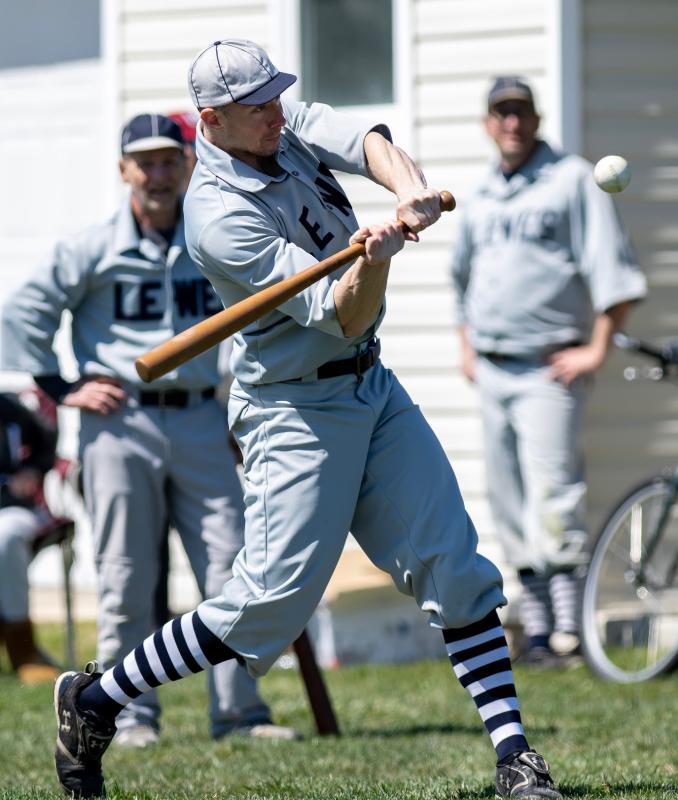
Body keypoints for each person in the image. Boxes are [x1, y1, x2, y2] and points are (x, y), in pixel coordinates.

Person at [47, 41, 563, 799]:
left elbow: (368, 142)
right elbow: (344, 314)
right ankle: (96, 699)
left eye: (275, 95)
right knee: (266, 604)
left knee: (453, 564)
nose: (275, 112)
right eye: (255, 105)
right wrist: (373, 261)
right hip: (294, 409)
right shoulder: (217, 217)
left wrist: (410, 192)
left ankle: (515, 756)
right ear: (211, 121)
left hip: (371, 388)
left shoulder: (280, 125)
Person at [0, 112, 297, 747]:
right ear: (123, 170)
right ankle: (127, 715)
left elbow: (262, 312)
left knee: (232, 566)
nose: (158, 175)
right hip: (119, 422)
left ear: (188, 164)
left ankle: (239, 713)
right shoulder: (93, 247)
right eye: (145, 163)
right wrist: (61, 387)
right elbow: (22, 313)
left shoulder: (212, 234)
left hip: (201, 415)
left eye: (169, 161)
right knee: (125, 575)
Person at [450, 77, 647, 667]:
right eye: (501, 113)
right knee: (509, 503)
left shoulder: (571, 180)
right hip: (494, 368)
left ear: (536, 119)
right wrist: (466, 347)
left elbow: (614, 271)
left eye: (521, 112)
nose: (511, 123)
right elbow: (461, 279)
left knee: (556, 499)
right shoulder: (482, 192)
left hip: (548, 369)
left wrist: (595, 350)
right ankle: (538, 633)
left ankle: (570, 631)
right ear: (488, 124)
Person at [0, 389, 62, 684]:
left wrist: (31, 470)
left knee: (6, 536)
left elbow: (45, 440)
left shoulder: (10, 406)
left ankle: (23, 650)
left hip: (9, 507)